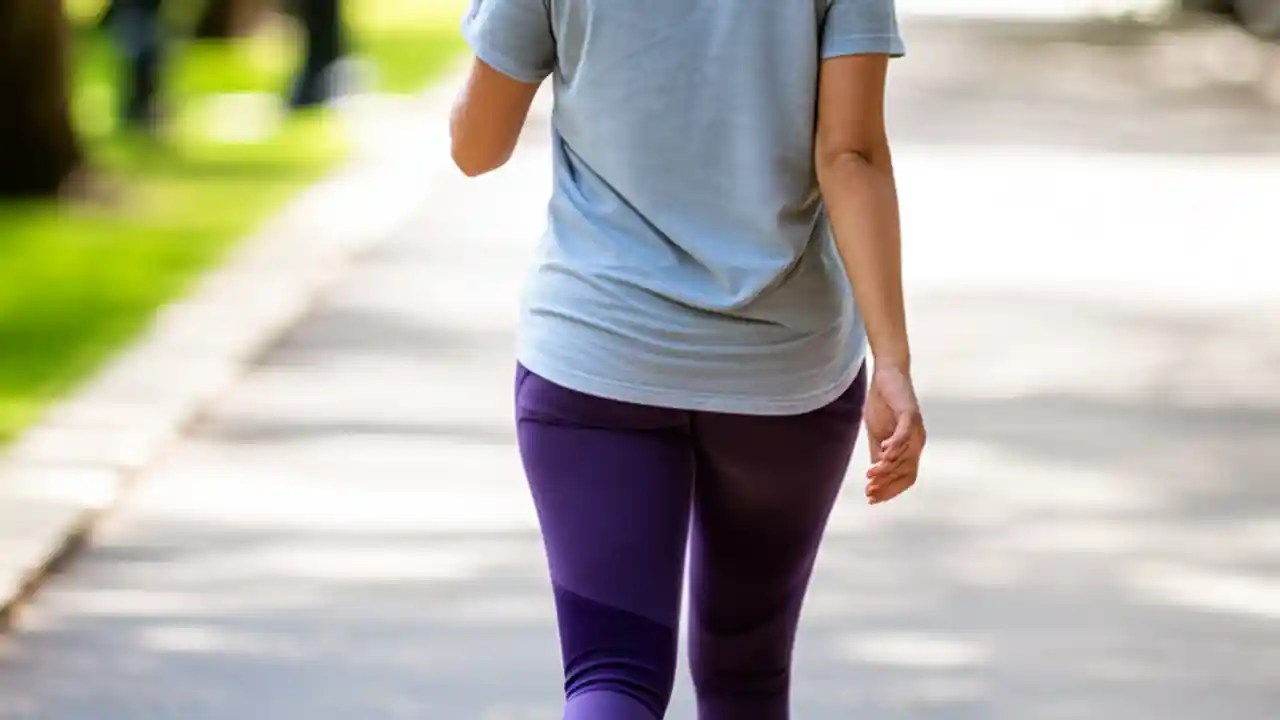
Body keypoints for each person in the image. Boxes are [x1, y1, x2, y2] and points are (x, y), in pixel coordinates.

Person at [451, 0, 925, 717]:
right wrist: (892, 360)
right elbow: (848, 153)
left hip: (599, 349)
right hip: (782, 369)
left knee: (610, 672)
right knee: (746, 673)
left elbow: (476, 146)